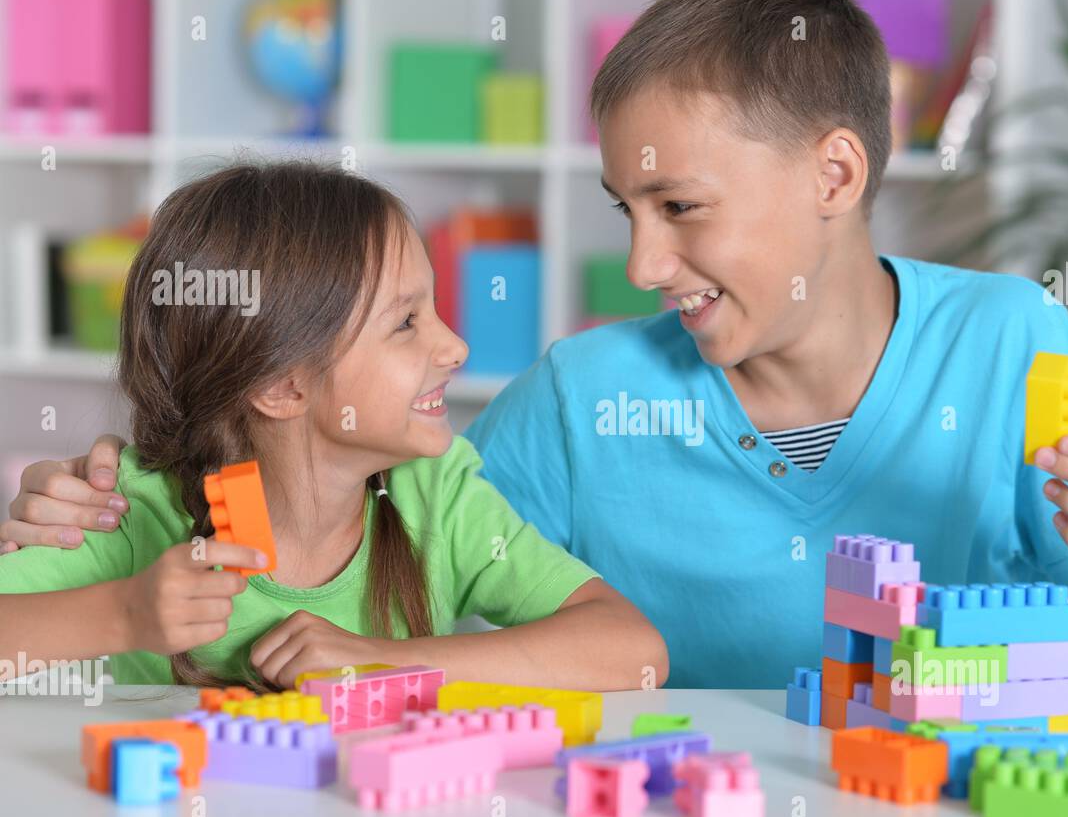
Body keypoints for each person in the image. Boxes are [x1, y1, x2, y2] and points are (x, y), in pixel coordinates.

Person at [2, 0, 1068, 693]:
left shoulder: (1010, 343)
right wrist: (108, 494)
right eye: (625, 214)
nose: (642, 268)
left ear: (836, 172)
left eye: (681, 209)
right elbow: (343, 485)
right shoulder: (584, 395)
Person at [0, 162, 667, 690]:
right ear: (282, 385)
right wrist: (124, 614)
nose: (455, 347)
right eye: (406, 323)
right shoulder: (135, 507)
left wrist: (386, 663)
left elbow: (633, 650)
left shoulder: (440, 496)